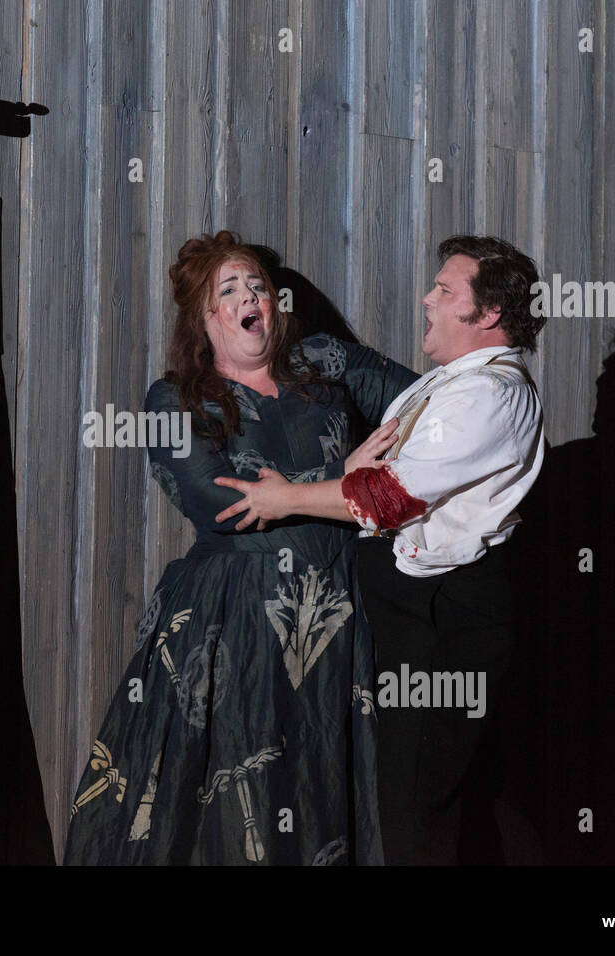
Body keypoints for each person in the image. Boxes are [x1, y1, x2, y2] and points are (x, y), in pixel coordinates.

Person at [62, 231, 417, 865]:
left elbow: (432, 408)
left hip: (339, 610)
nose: (250, 296)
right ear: (204, 320)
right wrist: (343, 479)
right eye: (229, 290)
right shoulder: (174, 398)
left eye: (258, 285)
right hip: (233, 621)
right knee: (238, 788)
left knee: (326, 778)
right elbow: (218, 502)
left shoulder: (325, 361)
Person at [214, 235, 546, 864]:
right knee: (433, 790)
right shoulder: (452, 382)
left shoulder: (488, 393)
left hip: (444, 613)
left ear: (488, 312)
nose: (427, 298)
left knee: (416, 802)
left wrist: (287, 498)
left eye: (444, 290)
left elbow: (389, 498)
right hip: (415, 609)